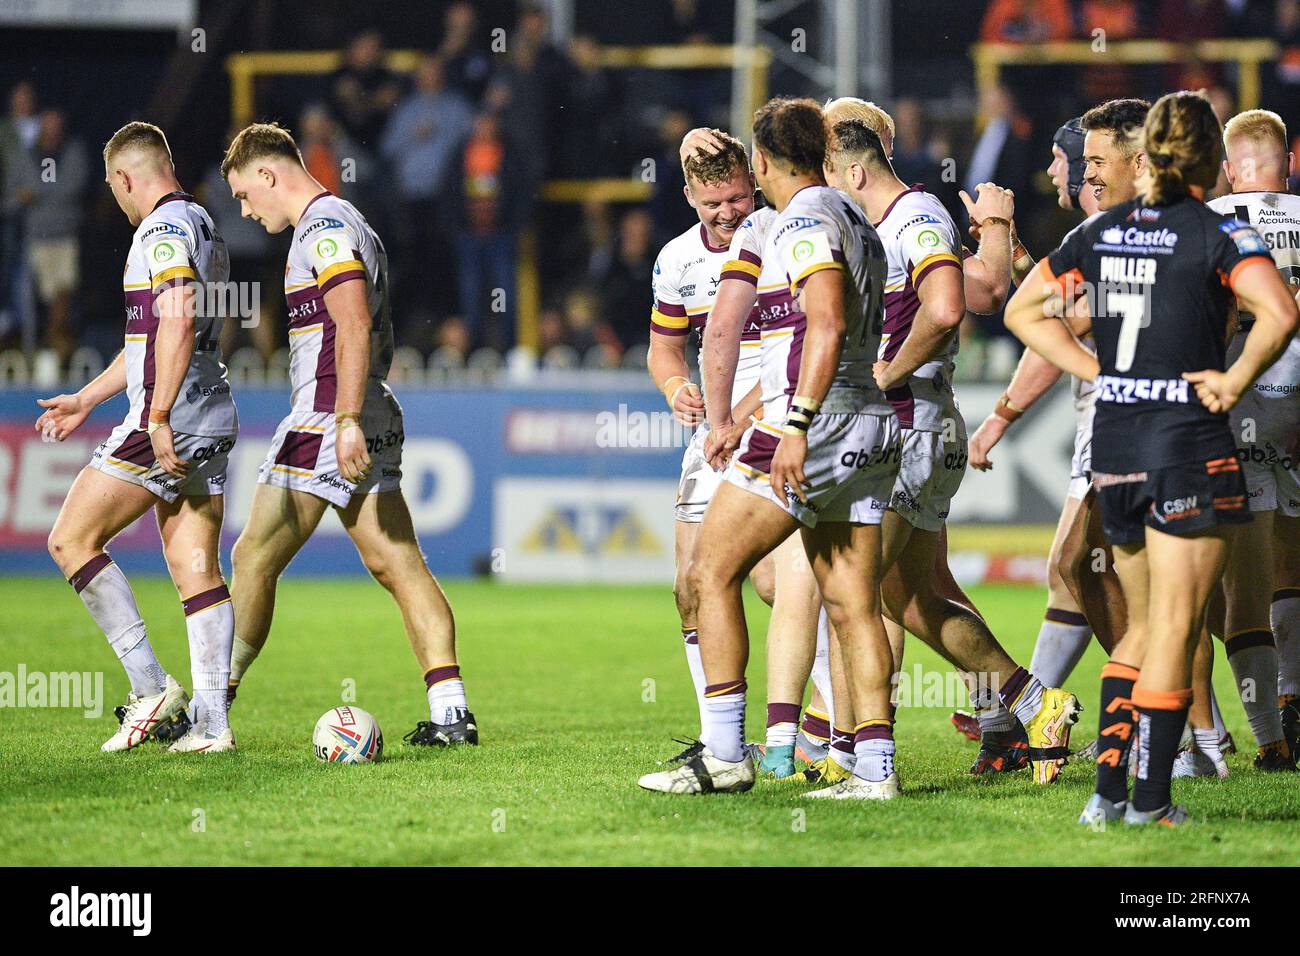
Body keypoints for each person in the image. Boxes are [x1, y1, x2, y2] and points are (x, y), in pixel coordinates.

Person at [1005, 90, 1299, 827]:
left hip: (1115, 446)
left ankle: (1108, 795)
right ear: (1209, 159)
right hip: (1188, 445)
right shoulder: (1215, 231)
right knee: (1176, 623)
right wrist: (1233, 379)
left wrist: (1092, 372)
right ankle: (1149, 798)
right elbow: (1281, 312)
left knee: (1139, 625)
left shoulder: (1104, 230)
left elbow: (1021, 311)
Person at [638, 97, 903, 799]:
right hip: (872, 422)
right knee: (852, 603)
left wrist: (794, 423)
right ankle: (875, 772)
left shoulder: (805, 220)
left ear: (761, 165)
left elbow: (824, 320)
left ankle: (725, 754)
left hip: (812, 422)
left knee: (709, 573)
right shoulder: (855, 217)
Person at [219, 122, 476, 748]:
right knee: (397, 562)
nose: (246, 211)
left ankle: (209, 708)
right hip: (367, 408)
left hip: (329, 415)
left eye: (245, 196)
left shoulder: (324, 228)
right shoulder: (348, 221)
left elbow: (353, 322)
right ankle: (451, 713)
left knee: (253, 556)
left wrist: (343, 419)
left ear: (268, 174)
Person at [37, 121, 238, 753]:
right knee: (196, 568)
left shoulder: (159, 230)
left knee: (71, 539)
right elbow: (151, 338)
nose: (116, 202)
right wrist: (86, 399)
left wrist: (153, 417)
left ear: (126, 177)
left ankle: (150, 687)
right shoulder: (204, 225)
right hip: (210, 413)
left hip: (169, 419)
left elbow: (175, 318)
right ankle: (212, 725)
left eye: (113, 188)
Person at [644, 129, 782, 772]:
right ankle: (718, 736)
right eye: (713, 204)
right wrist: (676, 387)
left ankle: (817, 727)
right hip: (714, 435)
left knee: (775, 583)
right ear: (689, 197)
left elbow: (800, 350)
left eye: (736, 198)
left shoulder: (783, 237)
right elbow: (666, 347)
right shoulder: (677, 260)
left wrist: (737, 415)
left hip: (775, 423)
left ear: (752, 184)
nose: (728, 213)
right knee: (689, 585)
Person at [1206, 108, 1300, 770]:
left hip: (1241, 402)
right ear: (1286, 164)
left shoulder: (1216, 222)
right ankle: (1293, 697)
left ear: (1232, 169)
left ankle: (1264, 734)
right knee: (1293, 563)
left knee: (1241, 580)